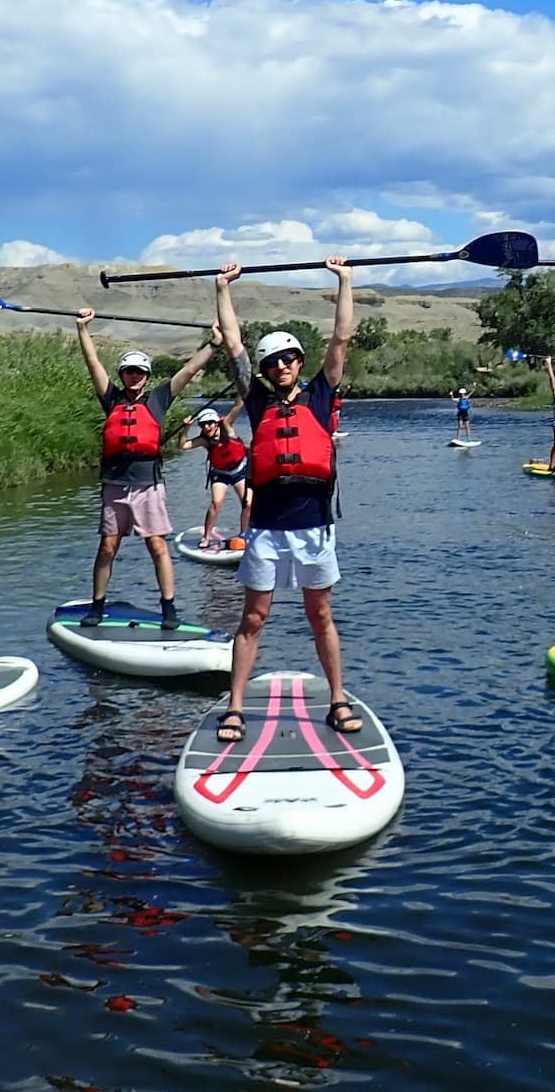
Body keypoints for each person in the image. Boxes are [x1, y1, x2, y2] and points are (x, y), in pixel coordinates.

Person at [212, 257, 357, 745]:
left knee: (320, 616)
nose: (280, 367)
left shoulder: (319, 394)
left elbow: (340, 339)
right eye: (272, 361)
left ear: (299, 361)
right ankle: (235, 706)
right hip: (268, 529)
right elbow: (232, 345)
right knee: (253, 618)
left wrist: (345, 280)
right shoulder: (256, 400)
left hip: (315, 527)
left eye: (288, 359)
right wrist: (222, 289)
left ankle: (338, 699)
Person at [76, 311, 219, 630]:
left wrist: (214, 344)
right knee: (108, 546)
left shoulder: (159, 398)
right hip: (115, 485)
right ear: (123, 374)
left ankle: (168, 608)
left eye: (139, 372)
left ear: (147, 375)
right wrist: (82, 329)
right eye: (128, 372)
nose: (134, 376)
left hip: (148, 487)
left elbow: (190, 368)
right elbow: (93, 363)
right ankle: (97, 605)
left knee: (157, 546)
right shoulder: (111, 399)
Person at [181, 401, 252, 549]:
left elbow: (238, 406)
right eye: (203, 425)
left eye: (209, 424)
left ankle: (244, 535)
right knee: (216, 503)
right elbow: (182, 446)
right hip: (220, 474)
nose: (206, 427)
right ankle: (206, 537)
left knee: (247, 503)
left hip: (239, 471)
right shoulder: (205, 440)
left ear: (216, 423)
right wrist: (186, 428)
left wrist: (243, 388)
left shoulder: (227, 427)